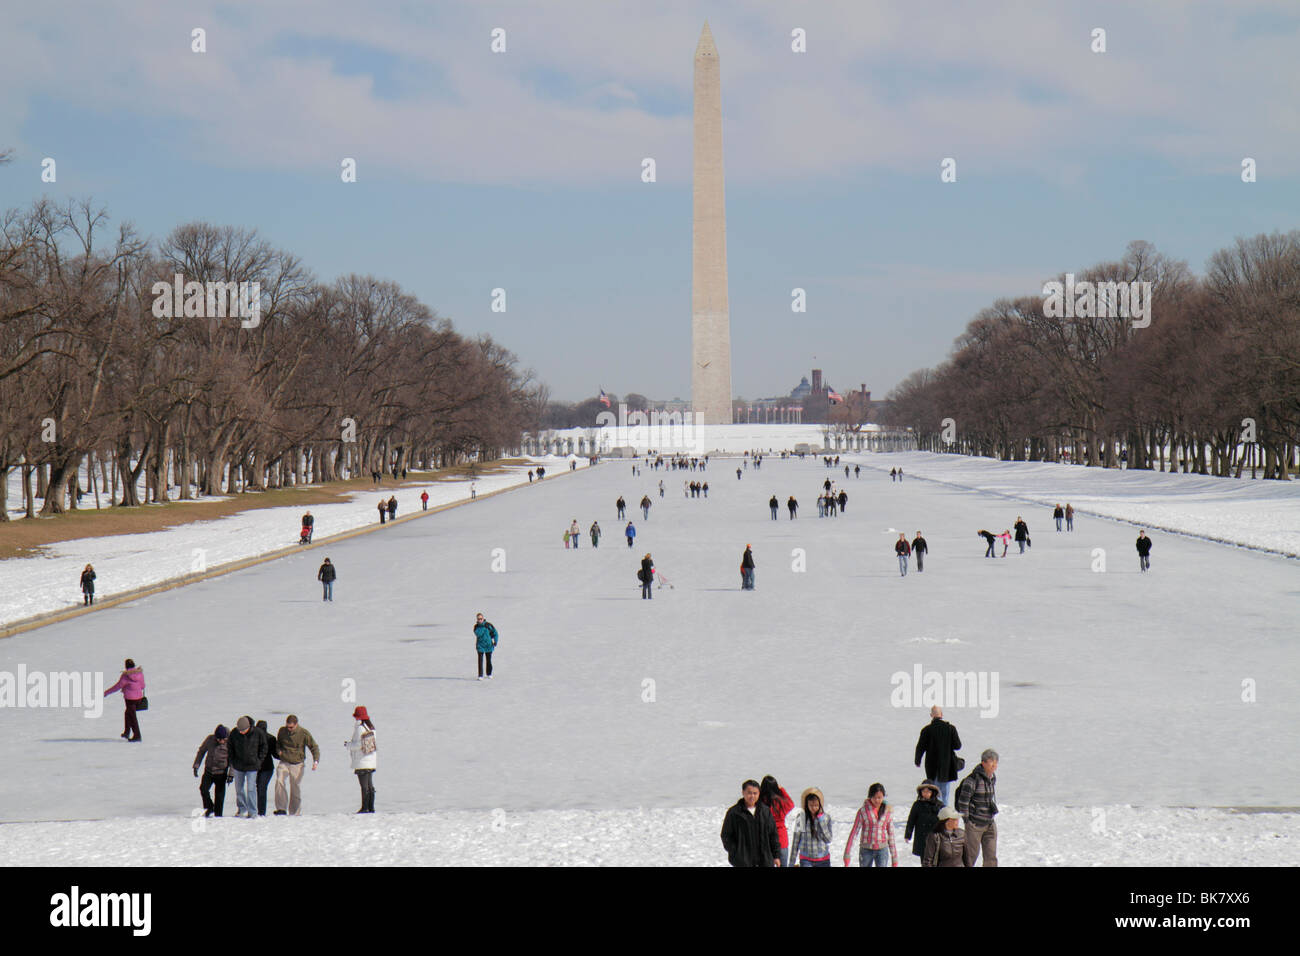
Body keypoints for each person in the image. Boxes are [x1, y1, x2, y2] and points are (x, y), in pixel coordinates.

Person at [720, 779, 781, 867]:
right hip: (743, 862)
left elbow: (773, 834)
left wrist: (776, 855)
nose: (752, 796)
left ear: (759, 794)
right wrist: (736, 852)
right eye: (749, 793)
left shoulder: (765, 811)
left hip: (764, 860)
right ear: (743, 793)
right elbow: (726, 835)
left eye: (755, 793)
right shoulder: (734, 812)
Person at [955, 748, 999, 866]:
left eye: (996, 762)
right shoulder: (972, 780)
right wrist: (967, 821)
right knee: (970, 856)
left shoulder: (992, 778)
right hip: (975, 824)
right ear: (983, 763)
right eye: (991, 761)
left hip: (989, 823)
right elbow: (963, 801)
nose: (994, 764)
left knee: (991, 856)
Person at [913, 705, 962, 804]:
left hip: (932, 767)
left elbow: (920, 747)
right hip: (946, 767)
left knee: (934, 790)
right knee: (945, 793)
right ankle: (944, 814)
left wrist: (918, 760)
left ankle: (935, 812)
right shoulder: (950, 729)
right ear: (942, 715)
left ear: (931, 715)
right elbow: (958, 745)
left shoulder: (926, 730)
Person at [273, 715, 320, 816]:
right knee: (279, 781)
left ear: (296, 725)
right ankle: (281, 808)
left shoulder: (303, 733)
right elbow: (278, 743)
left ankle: (295, 812)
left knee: (295, 786)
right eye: (287, 726)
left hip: (297, 763)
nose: (289, 729)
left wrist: (315, 761)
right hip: (284, 761)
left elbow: (314, 747)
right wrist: (278, 751)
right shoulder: (282, 731)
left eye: (291, 727)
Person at [843, 783, 897, 867]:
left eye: (879, 798)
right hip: (866, 850)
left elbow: (891, 834)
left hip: (882, 850)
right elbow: (854, 832)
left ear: (883, 797)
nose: (877, 800)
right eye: (874, 797)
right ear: (870, 796)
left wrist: (894, 857)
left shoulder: (887, 811)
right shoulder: (863, 811)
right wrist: (847, 853)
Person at [227, 715, 266, 818]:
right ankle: (242, 809)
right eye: (240, 730)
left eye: (243, 730)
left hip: (252, 766)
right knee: (239, 789)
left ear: (248, 727)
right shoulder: (234, 733)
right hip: (238, 765)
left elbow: (263, 747)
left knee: (251, 789)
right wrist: (233, 761)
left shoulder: (258, 733)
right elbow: (230, 747)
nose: (241, 732)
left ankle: (252, 811)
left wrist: (259, 761)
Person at [788, 787, 833, 867]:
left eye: (816, 805)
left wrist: (821, 821)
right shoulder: (801, 818)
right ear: (806, 805)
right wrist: (792, 861)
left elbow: (828, 839)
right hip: (806, 859)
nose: (814, 808)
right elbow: (796, 841)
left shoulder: (826, 818)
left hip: (823, 859)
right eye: (811, 805)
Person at [192, 724, 231, 817]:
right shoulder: (210, 739)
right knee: (203, 789)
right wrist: (196, 765)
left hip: (221, 773)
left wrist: (231, 774)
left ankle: (218, 815)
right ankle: (209, 808)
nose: (221, 741)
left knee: (219, 796)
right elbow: (201, 751)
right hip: (209, 771)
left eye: (223, 739)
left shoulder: (230, 743)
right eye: (219, 739)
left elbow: (233, 760)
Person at [344, 705, 377, 813]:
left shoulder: (360, 728)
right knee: (370, 785)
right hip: (371, 759)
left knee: (364, 786)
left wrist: (348, 745)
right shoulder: (371, 727)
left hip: (362, 760)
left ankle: (365, 807)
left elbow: (358, 745)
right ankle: (371, 807)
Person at [104, 658, 145, 742]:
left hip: (130, 699)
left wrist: (106, 692)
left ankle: (137, 736)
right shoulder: (139, 674)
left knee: (132, 717)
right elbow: (143, 686)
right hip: (138, 698)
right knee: (128, 713)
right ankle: (127, 732)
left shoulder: (126, 676)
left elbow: (118, 686)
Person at [759, 776, 795, 868]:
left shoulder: (760, 802)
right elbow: (791, 804)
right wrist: (782, 790)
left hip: (765, 839)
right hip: (781, 838)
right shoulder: (781, 801)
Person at [904, 781, 943, 862]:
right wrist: (908, 834)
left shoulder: (939, 805)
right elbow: (911, 820)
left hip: (936, 837)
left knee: (936, 859)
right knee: (925, 860)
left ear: (933, 792)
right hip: (922, 837)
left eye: (928, 791)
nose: (926, 793)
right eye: (924, 791)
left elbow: (945, 821)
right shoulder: (917, 805)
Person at [255, 719, 276, 816]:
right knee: (258, 788)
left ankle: (261, 812)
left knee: (261, 787)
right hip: (256, 768)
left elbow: (275, 754)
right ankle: (259, 811)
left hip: (266, 769)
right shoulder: (253, 738)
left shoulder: (271, 739)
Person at [474, 612, 498, 680]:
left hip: (488, 645)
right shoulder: (476, 627)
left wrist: (495, 641)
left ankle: (489, 673)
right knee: (480, 661)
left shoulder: (489, 625)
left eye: (481, 619)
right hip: (480, 646)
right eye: (478, 619)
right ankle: (480, 675)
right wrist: (482, 627)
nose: (480, 620)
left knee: (488, 660)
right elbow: (478, 634)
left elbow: (495, 633)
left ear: (483, 618)